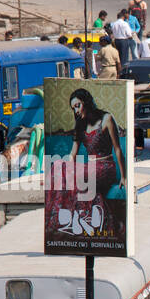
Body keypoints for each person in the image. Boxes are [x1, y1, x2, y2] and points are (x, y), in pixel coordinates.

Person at [46, 87, 127, 243]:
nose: (76, 110)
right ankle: (62, 219)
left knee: (71, 173)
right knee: (58, 165)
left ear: (86, 102)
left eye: (78, 105)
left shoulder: (106, 119)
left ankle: (82, 221)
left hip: (105, 167)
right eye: (73, 108)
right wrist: (67, 168)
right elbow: (72, 154)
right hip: (89, 167)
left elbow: (117, 149)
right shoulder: (80, 124)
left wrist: (123, 176)